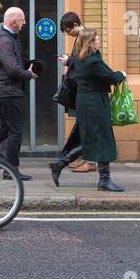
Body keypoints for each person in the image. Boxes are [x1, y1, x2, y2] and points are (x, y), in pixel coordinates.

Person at [54, 29, 126, 192]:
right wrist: (121, 74)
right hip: (95, 103)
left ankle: (59, 165)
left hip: (85, 102)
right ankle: (105, 180)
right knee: (103, 139)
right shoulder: (92, 61)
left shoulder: (80, 59)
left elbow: (80, 65)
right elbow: (111, 77)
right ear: (90, 43)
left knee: (86, 138)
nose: (100, 41)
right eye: (97, 39)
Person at [0, 7, 38, 180]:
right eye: (22, 20)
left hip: (6, 91)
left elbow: (13, 64)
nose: (25, 23)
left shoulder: (9, 38)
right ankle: (10, 170)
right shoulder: (4, 41)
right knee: (16, 131)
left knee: (6, 129)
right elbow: (12, 70)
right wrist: (29, 74)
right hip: (7, 92)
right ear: (14, 22)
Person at [54, 12, 96, 175]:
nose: (67, 34)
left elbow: (85, 63)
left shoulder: (87, 38)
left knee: (87, 126)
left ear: (76, 26)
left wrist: (69, 61)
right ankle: (84, 156)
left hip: (86, 89)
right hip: (81, 88)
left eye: (68, 30)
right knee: (83, 125)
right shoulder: (81, 38)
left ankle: (90, 160)